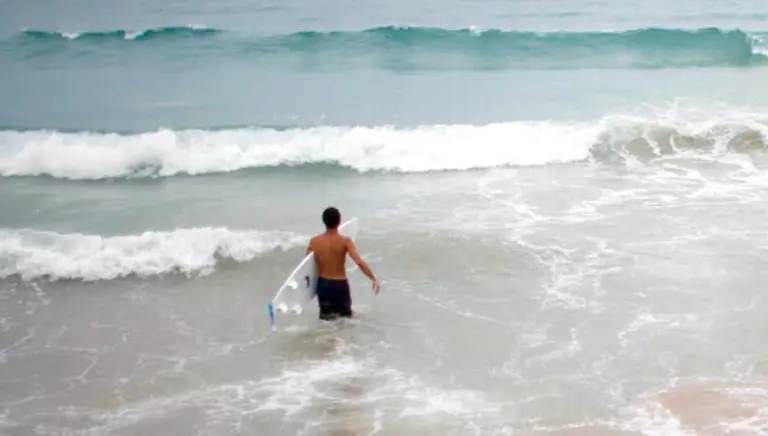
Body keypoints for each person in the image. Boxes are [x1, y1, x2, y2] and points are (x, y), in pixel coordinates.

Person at [306, 207, 380, 320]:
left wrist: (307, 285)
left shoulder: (315, 241)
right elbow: (358, 261)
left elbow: (307, 266)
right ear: (339, 221)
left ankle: (325, 338)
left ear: (323, 221)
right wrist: (373, 278)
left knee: (326, 321)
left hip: (323, 285)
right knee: (345, 320)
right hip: (340, 285)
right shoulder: (345, 241)